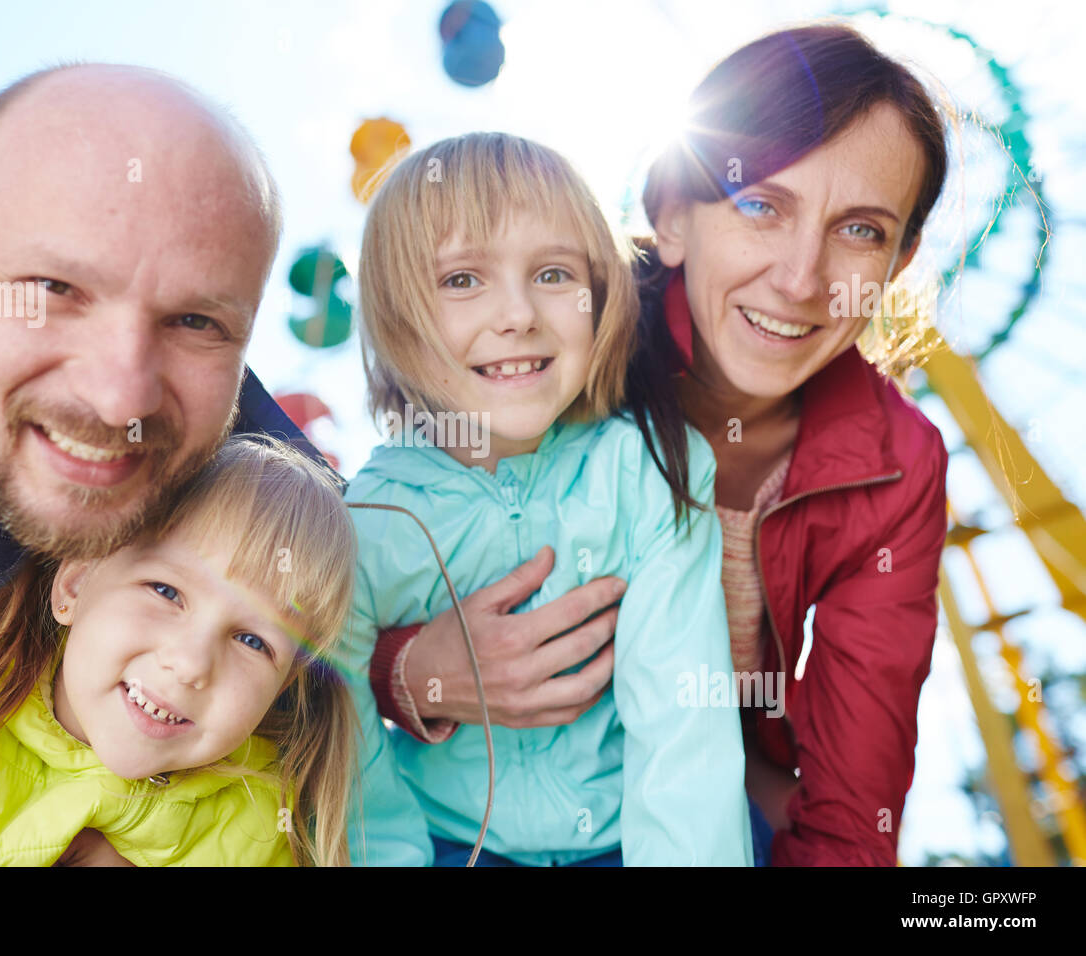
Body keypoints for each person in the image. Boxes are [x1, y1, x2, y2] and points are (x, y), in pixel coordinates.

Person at [370, 23, 951, 866]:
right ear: (673, 216)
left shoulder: (901, 463)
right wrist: (407, 669)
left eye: (860, 231)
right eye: (761, 205)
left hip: (701, 815)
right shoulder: (544, 351)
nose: (799, 278)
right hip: (471, 811)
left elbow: (861, 781)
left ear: (900, 260)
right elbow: (353, 556)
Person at [0, 64, 323, 809]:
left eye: (195, 321)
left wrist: (400, 666)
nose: (119, 397)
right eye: (52, 289)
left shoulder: (249, 463)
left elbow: (342, 614)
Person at [343, 132, 751, 866]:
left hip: (624, 840)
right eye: (463, 279)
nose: (519, 315)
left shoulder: (651, 470)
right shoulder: (365, 519)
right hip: (448, 844)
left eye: (555, 273)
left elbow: (683, 735)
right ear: (398, 315)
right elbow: (350, 762)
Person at [0, 436, 357, 866]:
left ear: (279, 688)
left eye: (253, 641)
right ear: (75, 586)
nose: (190, 663)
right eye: (166, 591)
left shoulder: (257, 820)